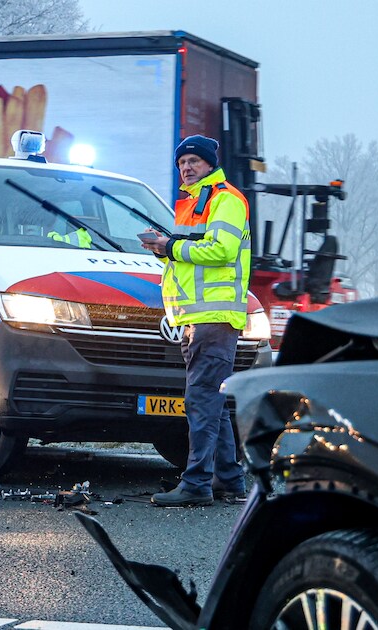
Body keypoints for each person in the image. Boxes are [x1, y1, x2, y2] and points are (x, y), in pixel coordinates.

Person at [140, 135, 250, 507]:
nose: (186, 168)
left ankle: (197, 484)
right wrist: (163, 249)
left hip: (214, 318)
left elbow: (221, 250)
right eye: (182, 163)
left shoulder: (224, 199)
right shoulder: (194, 203)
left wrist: (170, 246)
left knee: (201, 402)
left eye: (193, 162)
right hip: (197, 319)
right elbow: (191, 256)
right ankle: (228, 481)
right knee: (210, 403)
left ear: (209, 165)